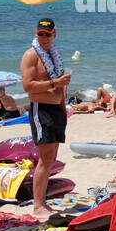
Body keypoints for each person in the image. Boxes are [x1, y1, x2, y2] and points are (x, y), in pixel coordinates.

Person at [21, 18, 70, 218]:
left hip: (57, 109)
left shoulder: (53, 55)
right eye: (40, 34)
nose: (43, 37)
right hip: (41, 110)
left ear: (54, 34)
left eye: (47, 34)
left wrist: (63, 106)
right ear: (36, 33)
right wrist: (54, 82)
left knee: (52, 159)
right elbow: (28, 86)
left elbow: (59, 85)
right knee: (45, 158)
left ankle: (42, 201)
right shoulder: (31, 55)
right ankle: (38, 205)